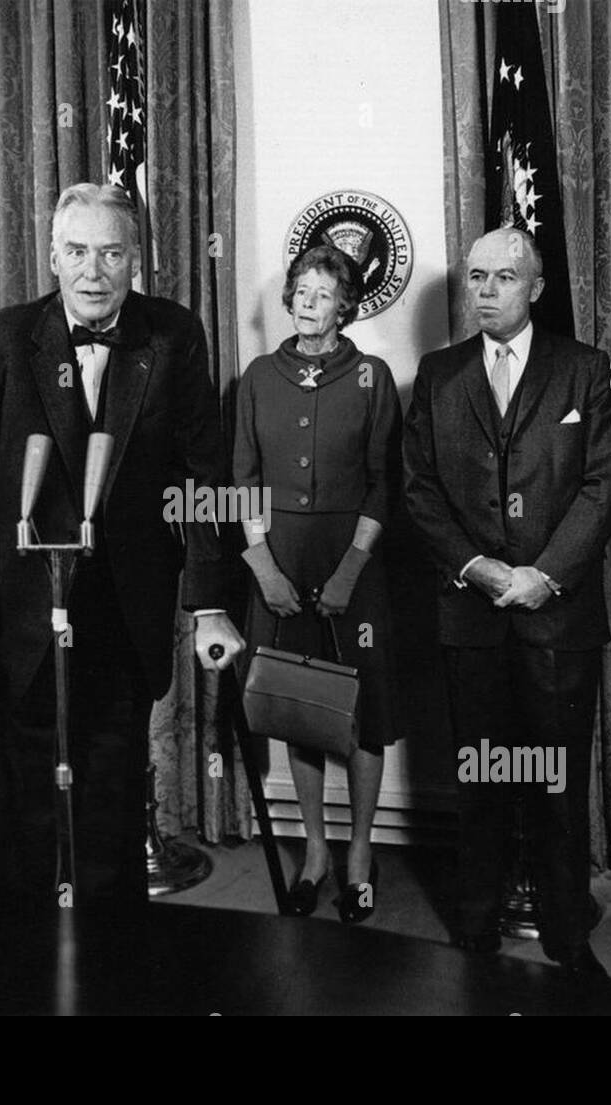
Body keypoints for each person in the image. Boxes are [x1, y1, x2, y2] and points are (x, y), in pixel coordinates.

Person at [0, 183, 243, 907]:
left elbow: (202, 477)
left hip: (127, 610)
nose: (94, 272)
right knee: (28, 801)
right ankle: (28, 970)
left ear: (135, 260)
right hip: (23, 612)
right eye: (79, 252)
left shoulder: (174, 334)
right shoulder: (0, 340)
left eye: (112, 253)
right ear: (53, 256)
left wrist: (209, 605)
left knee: (112, 794)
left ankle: (112, 969)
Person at [403, 227, 611, 973]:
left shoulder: (585, 370)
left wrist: (544, 573)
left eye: (504, 277)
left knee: (557, 782)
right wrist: (478, 568)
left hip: (557, 614)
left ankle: (567, 930)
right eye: (476, 277)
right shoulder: (438, 375)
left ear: (535, 287)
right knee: (482, 773)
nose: (487, 290)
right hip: (471, 612)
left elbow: (602, 486)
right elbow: (418, 489)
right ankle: (475, 922)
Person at [233, 244, 401, 924]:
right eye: (299, 289)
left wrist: (350, 572)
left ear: (346, 305)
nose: (306, 301)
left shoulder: (373, 375)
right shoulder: (257, 376)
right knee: (297, 709)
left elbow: (386, 479)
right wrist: (264, 567)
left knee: (364, 716)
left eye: (322, 292)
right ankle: (315, 854)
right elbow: (240, 479)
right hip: (279, 563)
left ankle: (360, 854)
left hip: (351, 565)